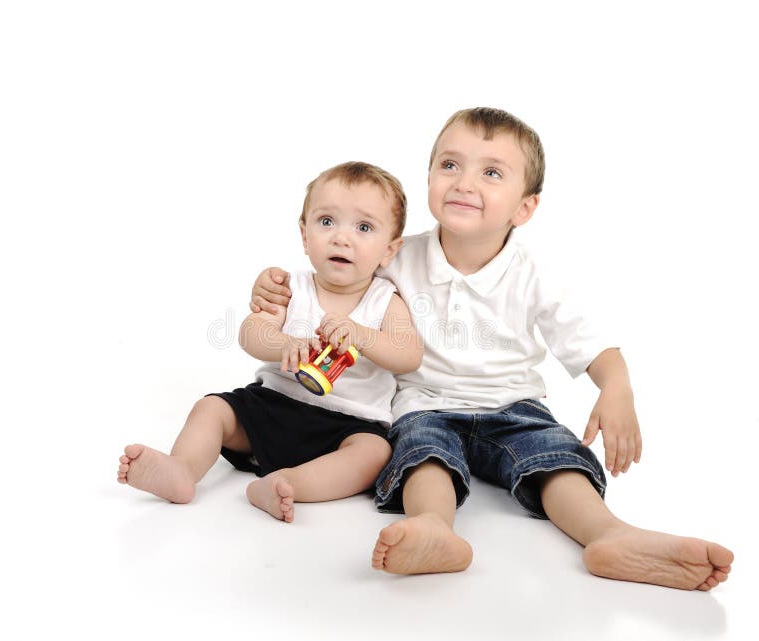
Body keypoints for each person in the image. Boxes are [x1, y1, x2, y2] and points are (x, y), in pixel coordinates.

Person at [249, 108, 734, 589]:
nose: (464, 183)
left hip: (514, 406)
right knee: (423, 455)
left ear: (524, 208)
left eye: (492, 173)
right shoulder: (393, 253)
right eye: (450, 165)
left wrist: (617, 388)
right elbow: (332, 273)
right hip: (424, 404)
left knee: (554, 457)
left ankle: (609, 535)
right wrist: (271, 287)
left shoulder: (533, 276)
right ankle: (433, 529)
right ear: (429, 179)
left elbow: (592, 345)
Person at [117, 161, 423, 523]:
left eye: (364, 227)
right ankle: (182, 468)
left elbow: (409, 355)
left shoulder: (385, 301)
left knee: (374, 453)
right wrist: (283, 344)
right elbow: (251, 332)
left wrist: (363, 335)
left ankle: (287, 483)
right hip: (274, 405)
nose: (342, 238)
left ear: (389, 250)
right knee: (211, 409)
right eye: (327, 222)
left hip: (347, 424)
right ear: (305, 236)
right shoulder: (290, 287)